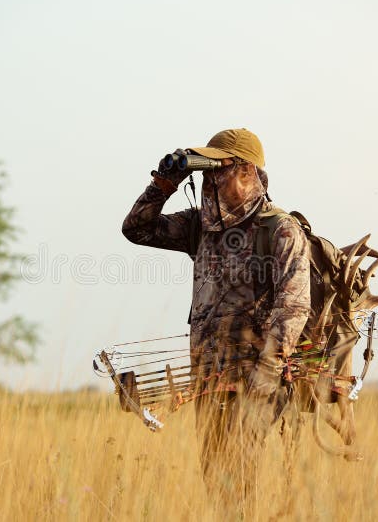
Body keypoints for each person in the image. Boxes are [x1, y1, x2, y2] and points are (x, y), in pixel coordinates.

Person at [121, 128, 311, 510]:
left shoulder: (280, 229)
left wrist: (266, 376)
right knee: (217, 484)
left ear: (245, 171)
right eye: (206, 172)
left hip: (256, 380)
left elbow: (294, 308)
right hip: (207, 377)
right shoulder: (201, 227)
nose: (209, 180)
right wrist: (163, 184)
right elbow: (136, 229)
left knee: (237, 477)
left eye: (217, 169)